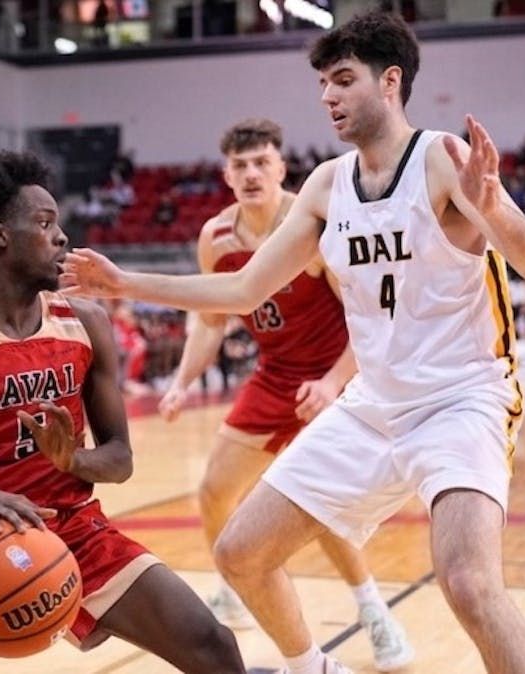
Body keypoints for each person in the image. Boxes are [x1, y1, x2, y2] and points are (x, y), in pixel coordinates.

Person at [61, 10, 525, 674]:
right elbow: (242, 292)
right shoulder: (326, 186)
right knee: (241, 552)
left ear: (390, 82)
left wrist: (493, 210)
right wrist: (124, 284)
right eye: (323, 83)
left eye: (343, 79)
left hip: (460, 402)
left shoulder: (442, 159)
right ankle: (315, 669)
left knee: (468, 583)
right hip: (373, 406)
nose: (328, 96)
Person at [0, 152, 244, 673]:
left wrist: (74, 462)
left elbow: (120, 459)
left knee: (213, 646)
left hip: (75, 527)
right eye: (44, 224)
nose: (62, 236)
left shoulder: (85, 320)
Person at [158, 118, 412, 669]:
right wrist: (182, 382)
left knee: (315, 505)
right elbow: (210, 321)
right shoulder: (216, 238)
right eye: (240, 165)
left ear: (280, 167)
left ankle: (374, 611)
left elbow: (363, 316)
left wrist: (333, 381)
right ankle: (237, 585)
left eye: (261, 163)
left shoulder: (313, 221)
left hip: (334, 376)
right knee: (213, 490)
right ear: (226, 175)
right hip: (275, 375)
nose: (251, 174)